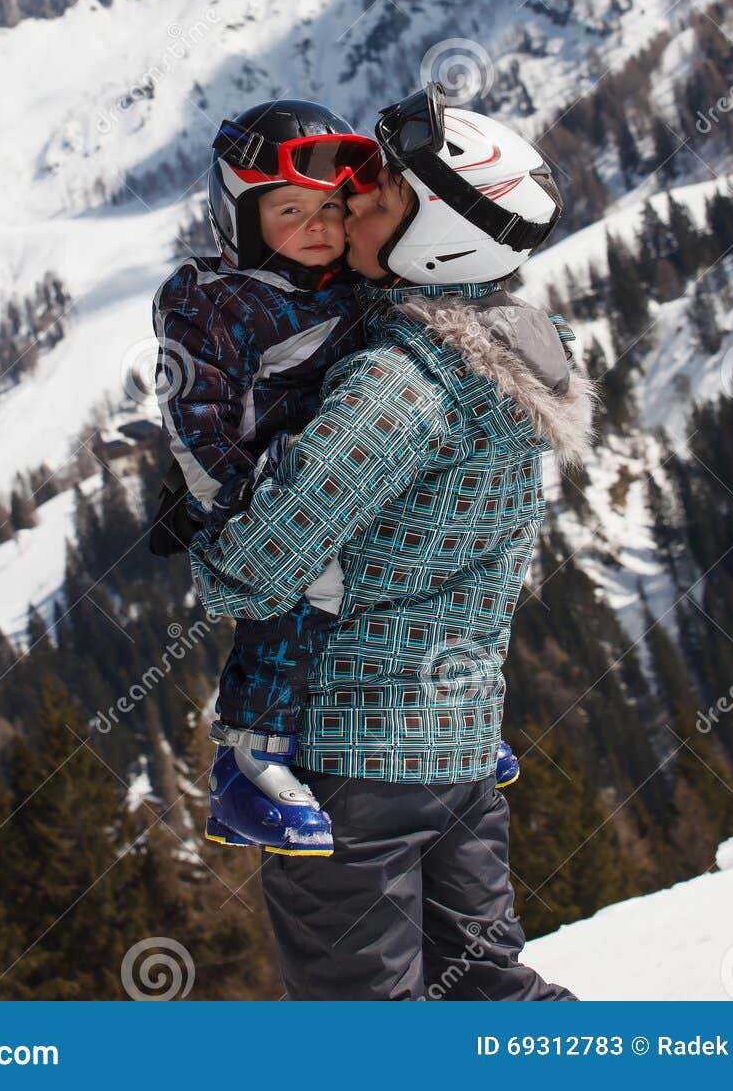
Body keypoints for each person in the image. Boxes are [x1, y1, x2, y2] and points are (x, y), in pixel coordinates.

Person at [188, 83, 594, 1000]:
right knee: (483, 993)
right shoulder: (511, 355)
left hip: (352, 770)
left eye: (387, 193)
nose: (355, 196)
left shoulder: (401, 385)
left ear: (440, 240)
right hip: (457, 757)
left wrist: (214, 529)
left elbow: (255, 570)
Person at [151, 98, 382, 855]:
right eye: (291, 209)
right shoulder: (212, 303)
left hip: (350, 483)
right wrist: (238, 504)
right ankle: (250, 762)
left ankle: (417, 728)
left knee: (386, 592)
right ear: (239, 216)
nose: (320, 227)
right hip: (266, 495)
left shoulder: (350, 285)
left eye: (332, 208)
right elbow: (196, 414)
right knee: (292, 606)